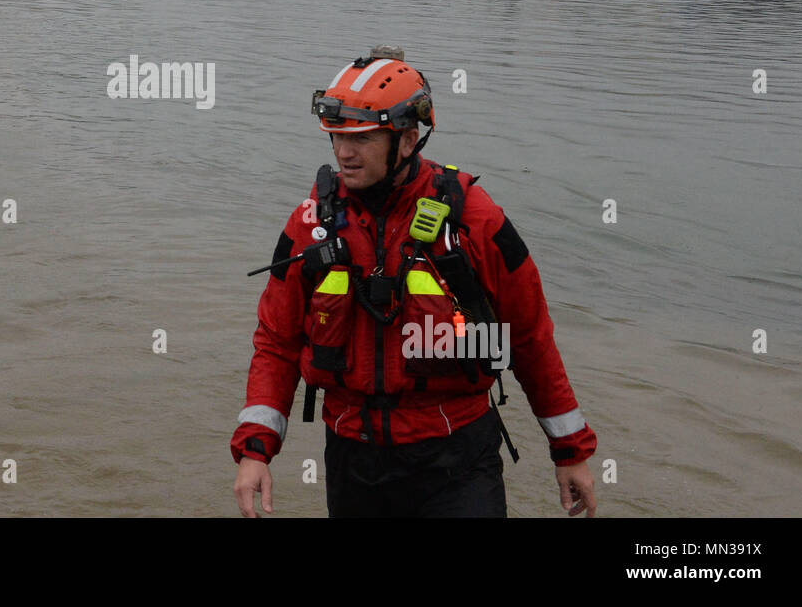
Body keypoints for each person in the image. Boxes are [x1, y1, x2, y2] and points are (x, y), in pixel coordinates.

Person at [232, 47, 598, 518]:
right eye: (337, 137)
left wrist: (570, 451)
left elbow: (530, 338)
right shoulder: (310, 225)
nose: (344, 153)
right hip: (353, 461)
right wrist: (255, 451)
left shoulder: (475, 219)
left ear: (406, 139)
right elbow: (277, 342)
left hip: (458, 459)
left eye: (361, 138)